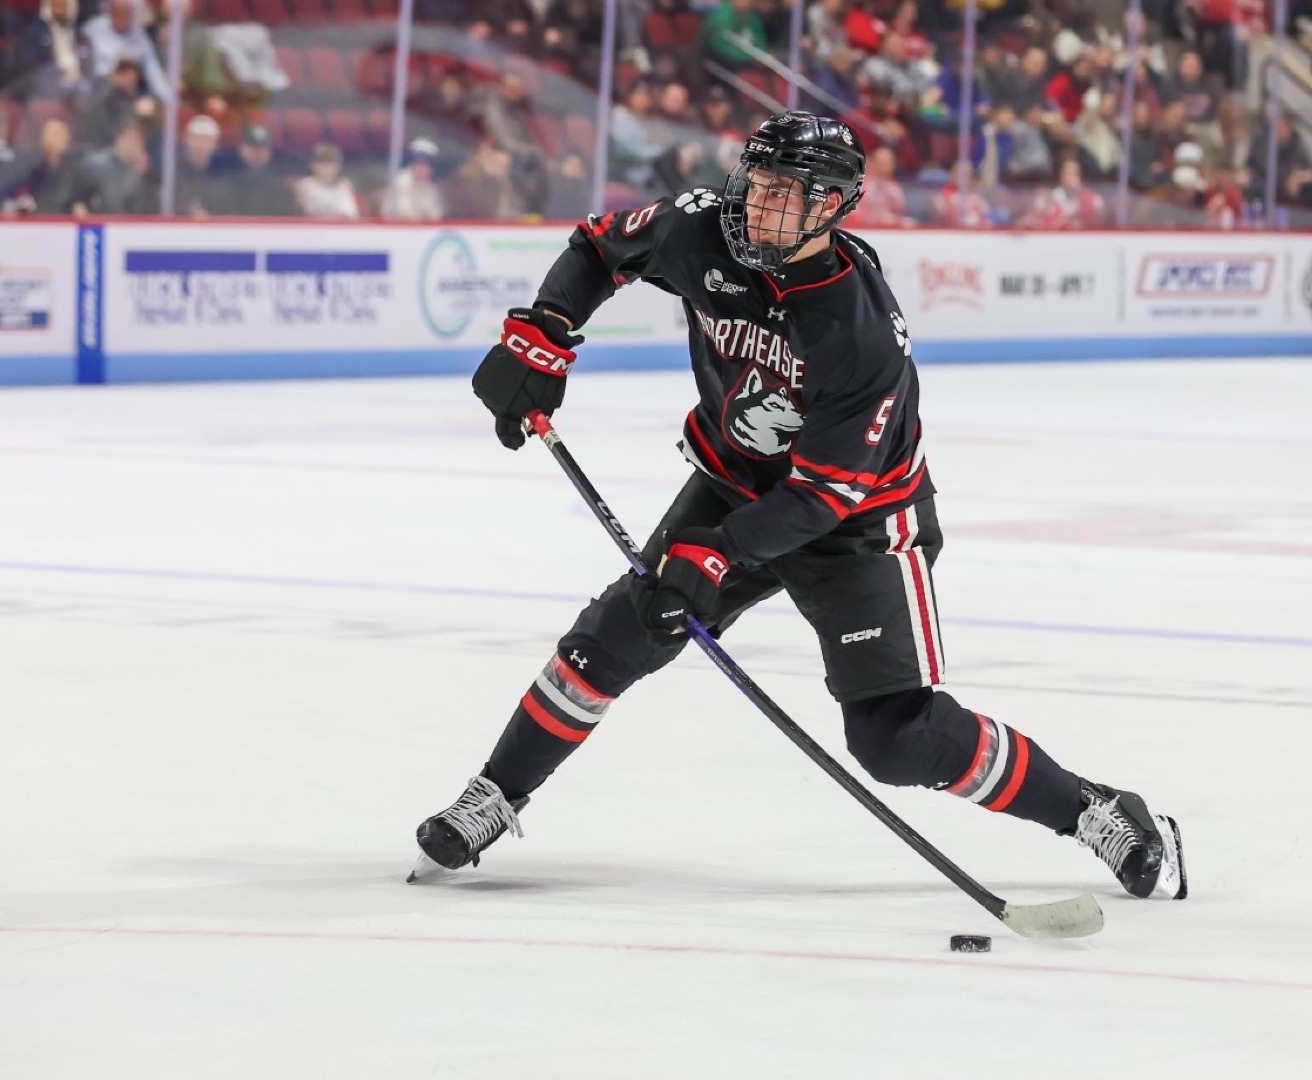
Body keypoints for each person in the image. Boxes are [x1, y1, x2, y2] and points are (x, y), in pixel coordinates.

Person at [412, 112, 1189, 904]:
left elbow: (823, 494)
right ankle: (495, 796)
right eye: (758, 181)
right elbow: (597, 250)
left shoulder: (859, 330)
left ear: (831, 208)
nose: (758, 204)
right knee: (621, 631)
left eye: (787, 193)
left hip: (859, 523)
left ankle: (1096, 811)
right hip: (735, 477)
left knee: (896, 738)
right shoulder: (700, 228)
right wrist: (542, 338)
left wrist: (714, 553)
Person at [294, 142, 361, 219]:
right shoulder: (305, 186)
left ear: (337, 166)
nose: (326, 168)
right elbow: (301, 212)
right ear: (313, 165)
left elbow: (351, 214)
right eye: (321, 163)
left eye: (329, 163)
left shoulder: (345, 186)